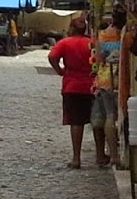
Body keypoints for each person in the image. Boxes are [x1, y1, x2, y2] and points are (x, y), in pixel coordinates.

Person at [48, 16, 96, 169]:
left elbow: (52, 56)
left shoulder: (65, 42)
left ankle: (76, 158)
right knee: (97, 121)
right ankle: (101, 154)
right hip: (92, 85)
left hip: (71, 86)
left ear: (71, 28)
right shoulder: (92, 43)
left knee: (76, 122)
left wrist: (60, 70)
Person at [91, 11, 125, 168]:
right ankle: (121, 153)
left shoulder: (103, 34)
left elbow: (98, 59)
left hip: (105, 78)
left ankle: (113, 155)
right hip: (123, 76)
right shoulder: (125, 33)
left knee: (109, 116)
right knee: (119, 116)